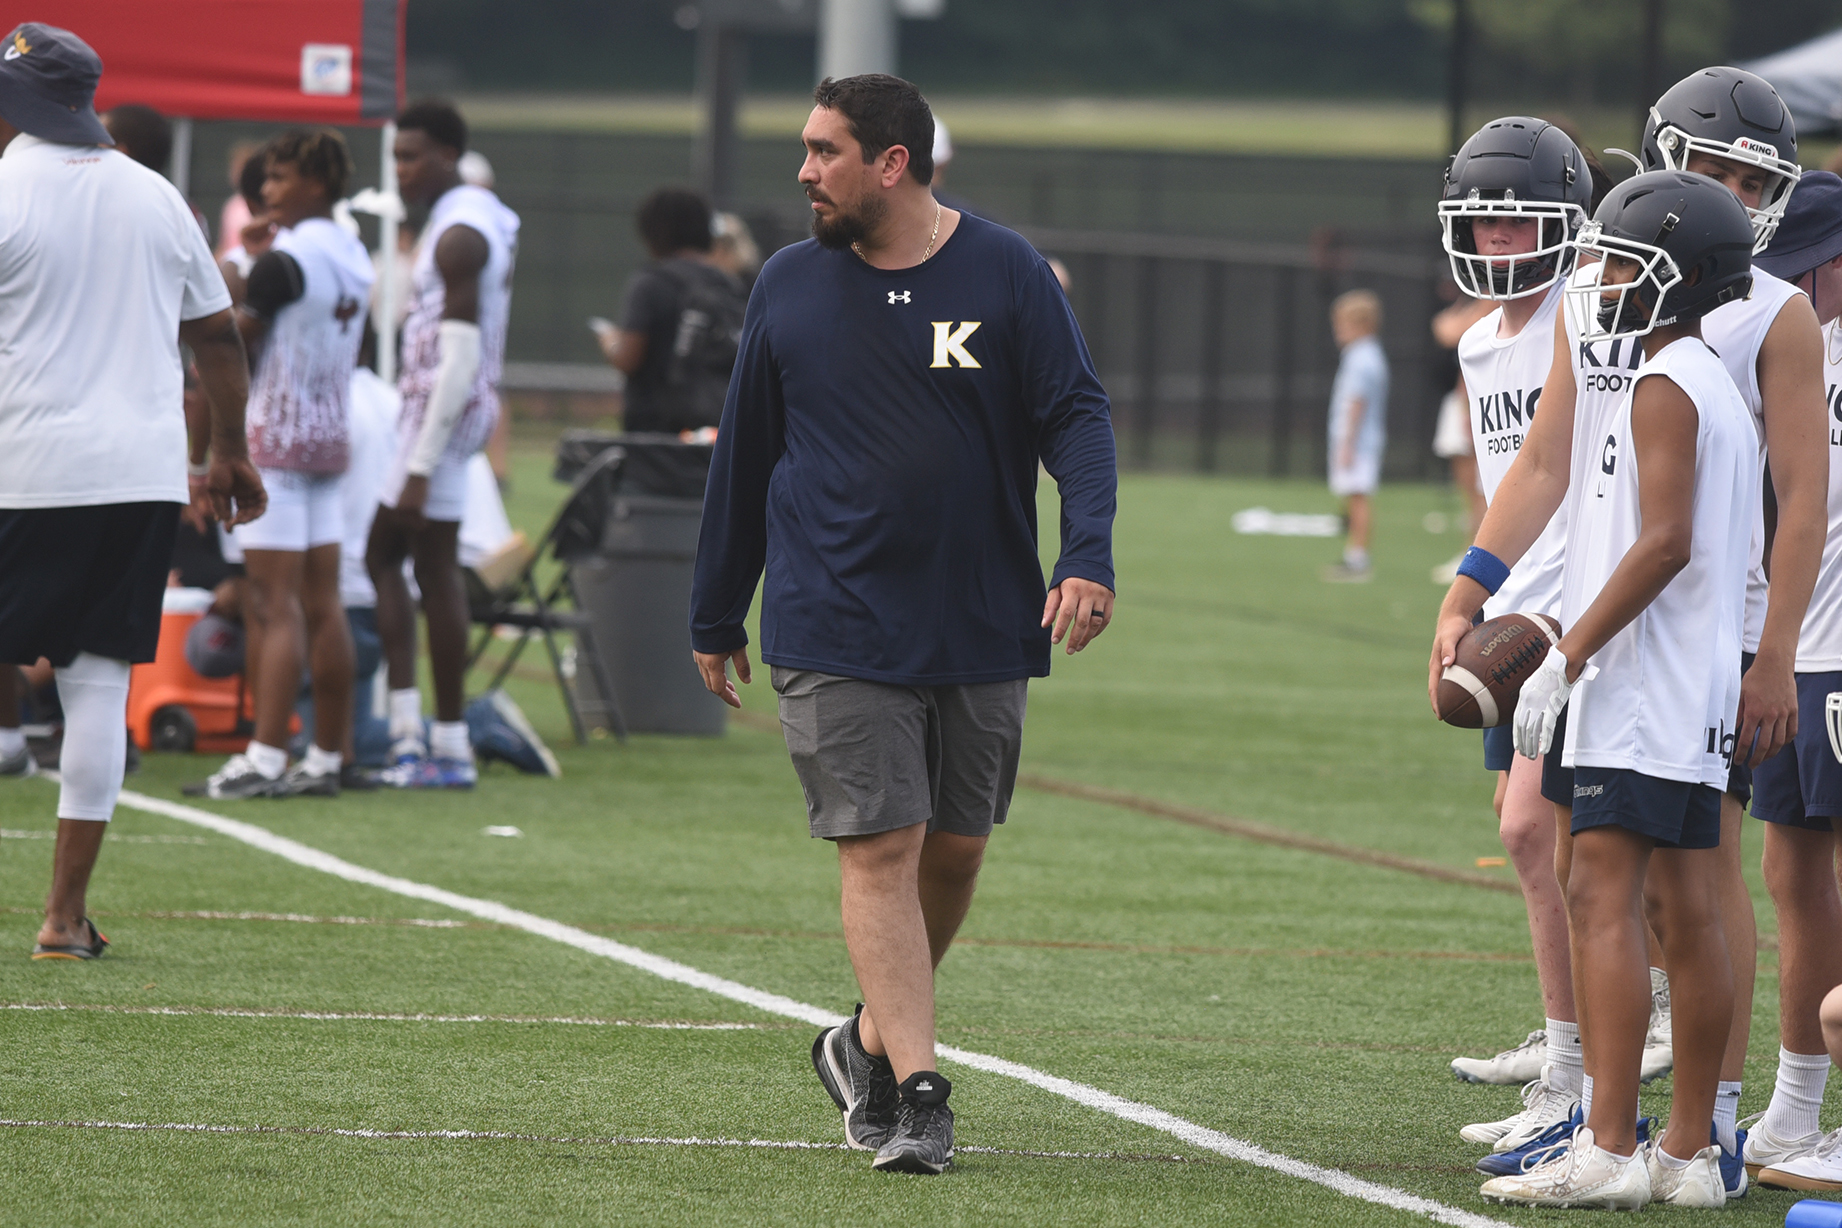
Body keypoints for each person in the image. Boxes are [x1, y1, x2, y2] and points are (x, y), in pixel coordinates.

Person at [689, 73, 1116, 1175]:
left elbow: (1076, 414)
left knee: (956, 850)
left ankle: (865, 1040)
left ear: (892, 162)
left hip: (980, 614)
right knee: (882, 843)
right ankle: (921, 1094)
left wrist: (1087, 552)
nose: (803, 171)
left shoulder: (1009, 271)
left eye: (826, 150)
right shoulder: (786, 284)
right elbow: (745, 451)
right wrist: (715, 603)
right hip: (832, 618)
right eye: (804, 147)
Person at [1446, 170, 1758, 1209]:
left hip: (1639, 681)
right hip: (1690, 678)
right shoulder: (1705, 375)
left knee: (1605, 895)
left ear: (1676, 276)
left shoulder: (1667, 380)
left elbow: (1662, 540)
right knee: (1690, 907)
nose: (1603, 281)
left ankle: (1612, 1146)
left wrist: (1568, 652)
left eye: (1622, 263)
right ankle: (1683, 1153)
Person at [0, 23, 263, 958]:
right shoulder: (158, 198)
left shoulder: (4, 189)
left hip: (22, 470)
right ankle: (64, 919)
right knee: (99, 688)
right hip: (138, 478)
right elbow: (220, 340)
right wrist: (228, 451)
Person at [1642, 67, 1828, 1179]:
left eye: (1750, 176)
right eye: (1708, 166)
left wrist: (1776, 653)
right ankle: (1593, 1092)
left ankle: (1713, 1115)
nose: (1726, 191)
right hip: (1630, 628)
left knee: (1711, 873)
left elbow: (1801, 496)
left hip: (1728, 632)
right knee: (1607, 871)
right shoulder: (1608, 283)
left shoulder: (1773, 307)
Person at [1434, 117, 1591, 1154]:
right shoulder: (1481, 340)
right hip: (1515, 606)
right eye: (1484, 225)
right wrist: (1474, 595)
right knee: (1526, 824)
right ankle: (1572, 1035)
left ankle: (1587, 1063)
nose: (1500, 244)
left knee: (1538, 831)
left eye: (1518, 222)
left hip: (1584, 606)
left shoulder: (1590, 312)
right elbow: (1511, 483)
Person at [184, 131, 371, 800]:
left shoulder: (283, 259)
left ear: (316, 182)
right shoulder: (352, 249)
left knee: (271, 604)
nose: (267, 190)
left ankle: (264, 756)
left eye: (281, 178)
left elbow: (226, 345)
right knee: (325, 604)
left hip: (273, 445)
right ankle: (327, 756)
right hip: (329, 439)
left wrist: (239, 257)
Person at [367, 99, 519, 789]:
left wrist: (422, 463)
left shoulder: (459, 233)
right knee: (421, 564)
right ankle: (435, 740)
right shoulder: (472, 218)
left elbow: (457, 360)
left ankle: (421, 739)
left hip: (441, 414)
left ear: (450, 157)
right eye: (397, 155)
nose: (401, 169)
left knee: (389, 553)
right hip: (449, 413)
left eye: (413, 156)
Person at [1739, 170, 1842, 1187]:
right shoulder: (1780, 339)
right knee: (1791, 877)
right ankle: (1794, 1114)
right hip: (1787, 648)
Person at [597, 187, 746, 435]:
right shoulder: (729, 284)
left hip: (655, 437)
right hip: (716, 432)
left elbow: (628, 358)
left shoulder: (650, 283)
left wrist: (609, 341)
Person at [1323, 290, 1388, 582]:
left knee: (1359, 496)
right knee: (1353, 496)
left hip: (1359, 442)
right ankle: (1354, 553)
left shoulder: (1362, 358)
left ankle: (1358, 557)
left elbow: (1357, 402)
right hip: (1359, 440)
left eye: (1342, 324)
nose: (1338, 331)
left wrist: (1348, 442)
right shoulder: (1364, 355)